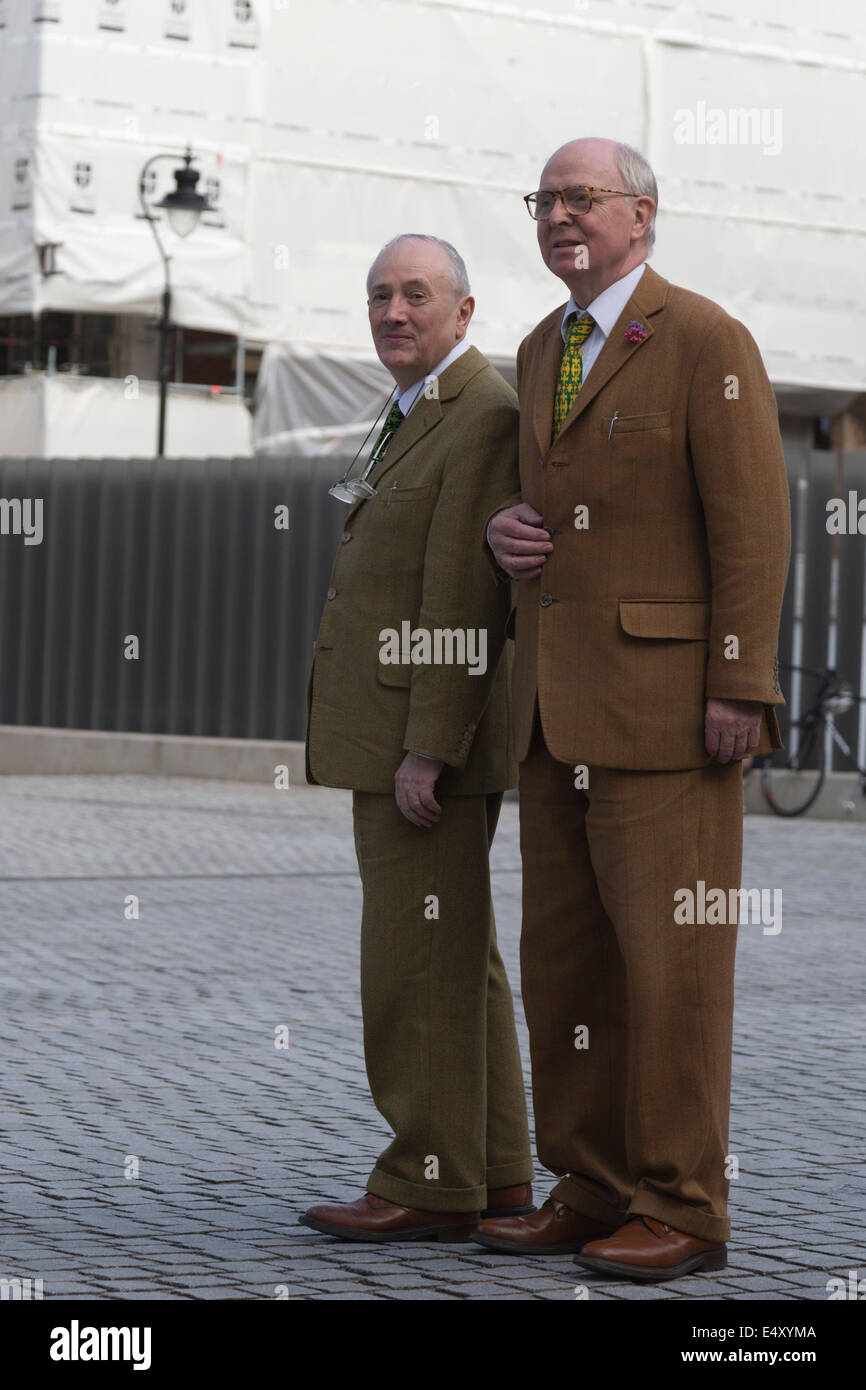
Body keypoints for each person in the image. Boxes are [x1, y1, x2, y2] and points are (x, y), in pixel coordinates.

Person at [473, 139, 791, 1280]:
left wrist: (738, 683)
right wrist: (503, 534)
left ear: (640, 214)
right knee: (564, 965)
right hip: (551, 716)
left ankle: (683, 1205)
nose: (558, 216)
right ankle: (589, 1182)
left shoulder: (703, 340)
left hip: (667, 716)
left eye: (580, 199)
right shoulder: (535, 347)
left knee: (671, 970)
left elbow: (752, 527)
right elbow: (537, 516)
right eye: (544, 200)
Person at [300, 234, 534, 1242]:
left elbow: (461, 597)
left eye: (416, 295)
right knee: (457, 958)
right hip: (402, 734)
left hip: (420, 743)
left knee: (412, 962)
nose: (393, 312)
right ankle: (494, 1173)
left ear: (463, 311)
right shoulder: (418, 411)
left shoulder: (478, 412)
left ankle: (425, 1179)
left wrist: (428, 745)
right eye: (379, 295)